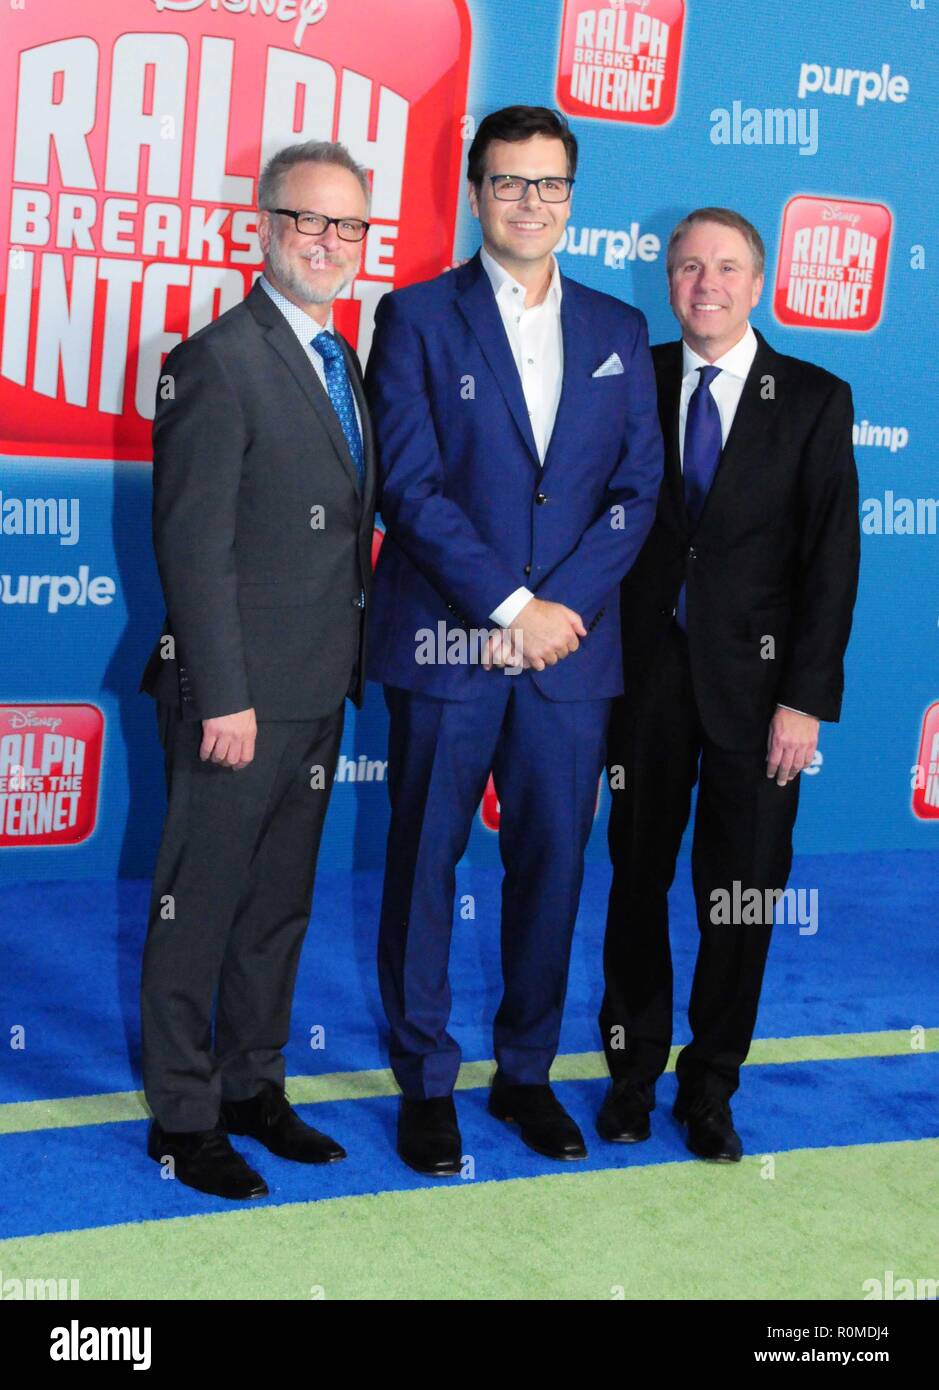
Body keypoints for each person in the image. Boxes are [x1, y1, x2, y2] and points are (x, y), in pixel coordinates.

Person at [365, 106, 663, 1175]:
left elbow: (634, 494)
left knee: (552, 864)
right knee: (423, 860)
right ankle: (426, 1081)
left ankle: (525, 1073)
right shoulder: (414, 318)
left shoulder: (620, 331)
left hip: (570, 656)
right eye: (507, 182)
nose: (529, 202)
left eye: (549, 186)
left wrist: (559, 614)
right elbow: (408, 486)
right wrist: (508, 609)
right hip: (451, 643)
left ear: (572, 200)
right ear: (474, 192)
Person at [139, 140, 376, 1199]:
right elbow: (191, 545)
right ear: (265, 226)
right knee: (200, 910)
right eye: (307, 220)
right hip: (233, 701)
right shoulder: (216, 358)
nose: (328, 241)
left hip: (318, 692)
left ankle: (253, 1087)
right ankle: (185, 1121)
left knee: (277, 908)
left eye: (347, 226)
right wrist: (223, 693)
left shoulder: (340, 359)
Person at [598, 208, 860, 1161]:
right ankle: (629, 1075)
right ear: (668, 283)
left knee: (742, 895)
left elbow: (832, 565)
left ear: (759, 283)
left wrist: (804, 701)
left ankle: (709, 1086)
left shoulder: (816, 400)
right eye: (686, 268)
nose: (704, 284)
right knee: (635, 883)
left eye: (725, 268)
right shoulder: (635, 381)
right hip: (642, 687)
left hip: (760, 699)